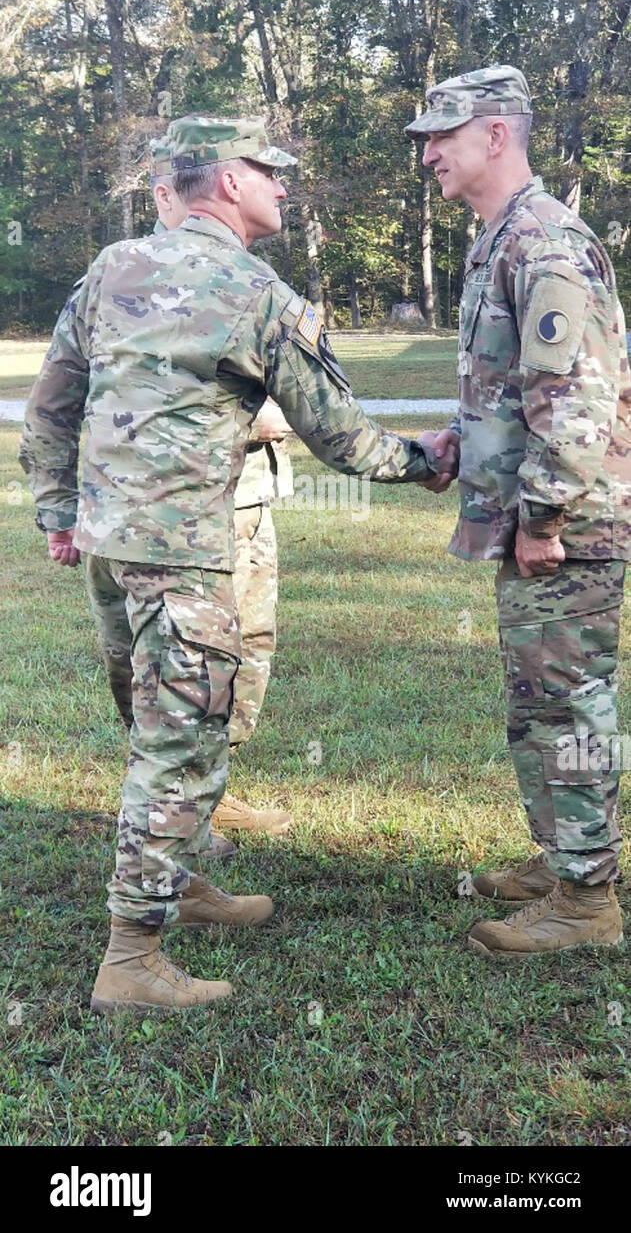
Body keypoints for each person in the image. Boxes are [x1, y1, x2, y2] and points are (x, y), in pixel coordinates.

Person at [19, 113, 453, 1012]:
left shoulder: (111, 270)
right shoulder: (257, 293)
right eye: (269, 171)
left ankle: (181, 883)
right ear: (224, 182)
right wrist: (426, 460)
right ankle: (130, 961)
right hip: (185, 561)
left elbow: (52, 401)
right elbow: (337, 436)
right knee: (179, 752)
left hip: (110, 550)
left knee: (161, 731)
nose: (282, 186)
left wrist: (59, 511)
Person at [406, 65, 631, 958]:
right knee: (537, 703)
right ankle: (561, 856)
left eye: (441, 136)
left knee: (569, 705)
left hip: (566, 527)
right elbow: (520, 387)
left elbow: (578, 397)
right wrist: (466, 435)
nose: (427, 154)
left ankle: (586, 900)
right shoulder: (500, 235)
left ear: (495, 134)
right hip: (542, 519)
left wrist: (540, 519)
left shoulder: (539, 238)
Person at [150, 153, 293, 843]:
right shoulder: (148, 278)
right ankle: (187, 811)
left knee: (251, 641)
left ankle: (213, 787)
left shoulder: (252, 281)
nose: (284, 188)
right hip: (197, 510)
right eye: (269, 175)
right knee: (196, 659)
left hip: (250, 494)